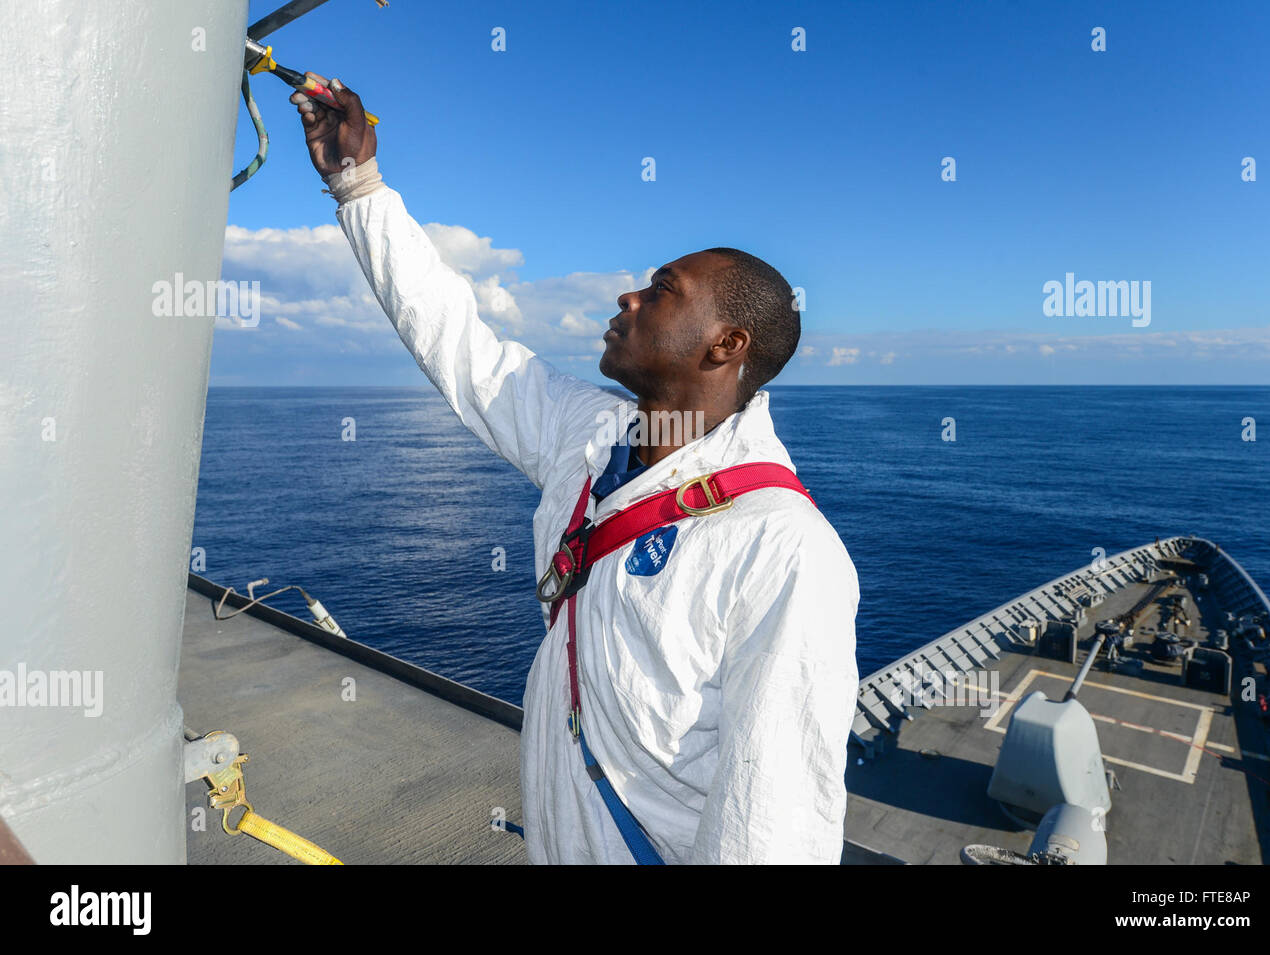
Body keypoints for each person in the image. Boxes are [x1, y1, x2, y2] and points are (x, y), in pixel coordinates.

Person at [291, 76, 861, 864]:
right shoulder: (592, 437)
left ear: (726, 344)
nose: (628, 296)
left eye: (662, 290)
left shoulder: (784, 549)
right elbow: (460, 343)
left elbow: (772, 829)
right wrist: (358, 184)